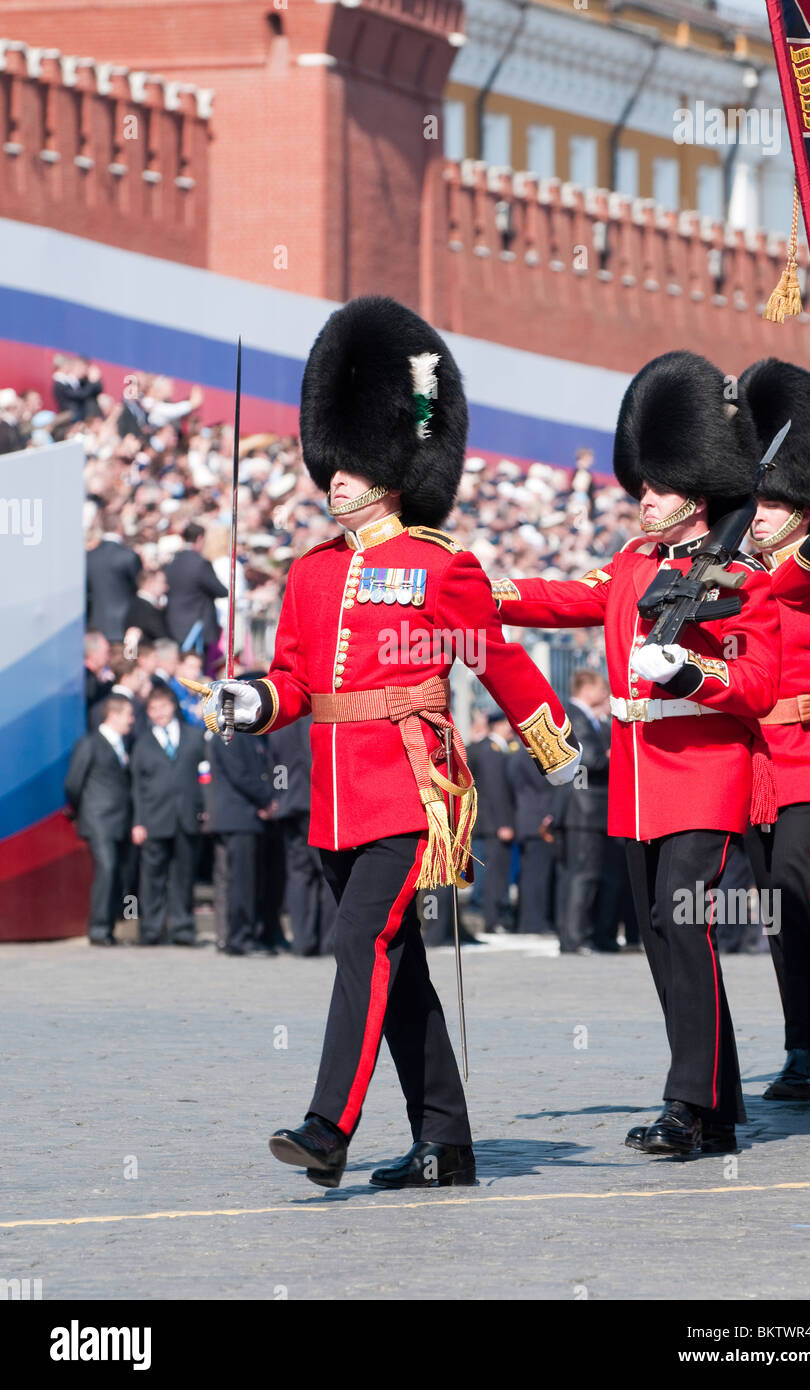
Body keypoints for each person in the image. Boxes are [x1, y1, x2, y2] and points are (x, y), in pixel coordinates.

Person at [199, 296, 581, 1189]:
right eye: (328, 460)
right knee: (397, 968)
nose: (333, 476)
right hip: (334, 792)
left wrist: (550, 744)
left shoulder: (435, 564)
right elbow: (297, 680)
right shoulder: (309, 572)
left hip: (411, 787)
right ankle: (445, 1142)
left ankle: (329, 1127)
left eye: (350, 459)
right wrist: (251, 701)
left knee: (360, 941)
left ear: (393, 460)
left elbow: (495, 657)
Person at [492, 350, 780, 1156]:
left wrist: (691, 667)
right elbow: (564, 598)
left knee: (681, 921)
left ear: (692, 492)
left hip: (705, 771)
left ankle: (685, 1103)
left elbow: (757, 681)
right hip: (639, 781)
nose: (641, 496)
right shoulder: (630, 564)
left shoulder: (739, 574)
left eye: (654, 486)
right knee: (658, 934)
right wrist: (483, 589)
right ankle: (718, 1104)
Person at [737, 358, 810, 1102]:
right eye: (754, 499)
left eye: (773, 501)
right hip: (753, 765)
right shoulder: (743, 578)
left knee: (792, 886)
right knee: (776, 909)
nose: (756, 513)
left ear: (805, 508)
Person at [130, 686, 205, 946]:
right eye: (152, 708)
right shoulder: (142, 744)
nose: (158, 712)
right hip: (154, 819)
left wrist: (204, 808)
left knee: (183, 876)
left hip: (186, 816)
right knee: (153, 877)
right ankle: (151, 929)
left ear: (173, 706)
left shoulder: (195, 737)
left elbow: (205, 776)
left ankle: (183, 928)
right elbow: (137, 787)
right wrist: (138, 821)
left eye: (162, 706)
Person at [555, 669, 621, 953]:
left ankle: (592, 934)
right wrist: (613, 753)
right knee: (582, 874)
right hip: (583, 808)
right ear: (587, 688)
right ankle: (574, 937)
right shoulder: (573, 714)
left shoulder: (590, 718)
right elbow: (588, 759)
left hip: (596, 809)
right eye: (600, 687)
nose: (605, 692)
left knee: (597, 874)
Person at [64, 696, 135, 945]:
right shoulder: (90, 744)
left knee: (118, 873)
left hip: (120, 821)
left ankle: (114, 926)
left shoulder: (122, 745)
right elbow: (73, 783)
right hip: (99, 820)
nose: (132, 720)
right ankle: (99, 929)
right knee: (106, 870)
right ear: (113, 715)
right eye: (128, 714)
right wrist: (81, 812)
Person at [208, 705, 277, 956]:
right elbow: (241, 776)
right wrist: (267, 800)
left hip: (244, 818)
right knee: (241, 882)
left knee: (245, 881)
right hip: (238, 817)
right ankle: (240, 937)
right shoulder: (231, 734)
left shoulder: (243, 734)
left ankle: (244, 934)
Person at [268, 716, 336, 956]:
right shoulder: (314, 716)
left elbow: (272, 759)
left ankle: (303, 940)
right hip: (314, 802)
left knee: (299, 873)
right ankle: (328, 940)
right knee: (327, 872)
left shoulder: (282, 719)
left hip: (289, 803)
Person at [467, 710, 516, 934]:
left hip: (489, 822)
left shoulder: (494, 749)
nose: (510, 729)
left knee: (495, 872)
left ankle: (494, 917)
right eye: (507, 724)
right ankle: (492, 919)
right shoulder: (492, 750)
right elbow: (496, 792)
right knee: (494, 873)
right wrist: (504, 823)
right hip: (493, 823)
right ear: (498, 725)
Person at [507, 740, 559, 934]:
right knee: (537, 877)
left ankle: (530, 921)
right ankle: (534, 922)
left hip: (528, 819)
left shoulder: (517, 754)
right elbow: (543, 784)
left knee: (531, 875)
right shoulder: (528, 755)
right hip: (537, 820)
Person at [164, 522, 228, 660]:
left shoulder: (172, 561)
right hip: (197, 627)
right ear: (200, 539)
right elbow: (221, 590)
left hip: (174, 623)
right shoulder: (200, 563)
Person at [86, 513, 142, 642]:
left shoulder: (89, 557)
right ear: (120, 527)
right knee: (126, 661)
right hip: (126, 624)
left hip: (96, 625)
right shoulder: (129, 556)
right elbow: (138, 588)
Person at [126, 569, 169, 644]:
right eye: (162, 583)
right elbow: (162, 637)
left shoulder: (137, 604)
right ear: (150, 583)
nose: (166, 587)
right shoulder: (145, 609)